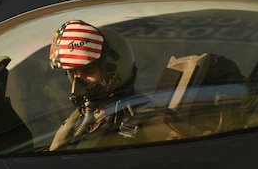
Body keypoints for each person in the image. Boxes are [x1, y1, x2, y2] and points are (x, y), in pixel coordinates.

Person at [47, 20, 179, 150]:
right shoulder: (83, 117)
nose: (78, 79)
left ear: (114, 72)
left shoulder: (146, 120)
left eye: (88, 71)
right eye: (74, 72)